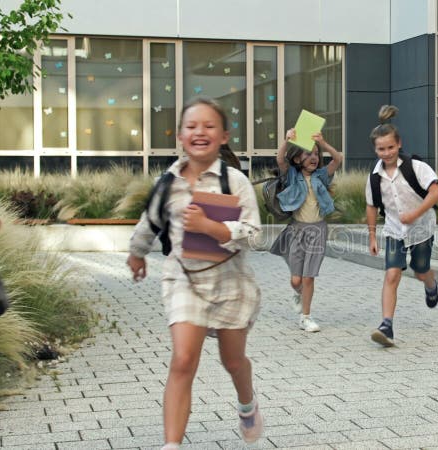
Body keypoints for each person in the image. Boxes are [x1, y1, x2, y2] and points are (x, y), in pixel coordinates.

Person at [126, 97, 264, 449]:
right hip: (183, 279)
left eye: (208, 126)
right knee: (184, 358)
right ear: (180, 135)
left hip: (229, 280)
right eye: (191, 126)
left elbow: (254, 235)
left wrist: (210, 227)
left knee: (233, 361)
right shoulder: (167, 184)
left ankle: (247, 404)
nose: (199, 132)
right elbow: (150, 221)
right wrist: (137, 253)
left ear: (223, 136)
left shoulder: (235, 182)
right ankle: (172, 444)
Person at [365, 105, 438, 347]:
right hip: (394, 231)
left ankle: (431, 284)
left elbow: (436, 192)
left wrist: (415, 213)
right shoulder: (374, 176)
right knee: (392, 274)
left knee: (420, 271)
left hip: (421, 228)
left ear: (399, 144)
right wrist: (372, 236)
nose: (386, 153)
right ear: (375, 149)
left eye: (390, 147)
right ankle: (386, 325)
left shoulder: (416, 167)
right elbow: (371, 206)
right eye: (381, 149)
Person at [270, 128, 342, 332]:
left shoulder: (321, 176)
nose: (314, 157)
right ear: (297, 159)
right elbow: (280, 159)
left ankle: (306, 317)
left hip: (318, 230)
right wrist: (286, 140)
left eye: (316, 154)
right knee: (296, 280)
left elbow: (337, 159)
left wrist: (324, 144)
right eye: (308, 153)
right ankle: (298, 293)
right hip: (296, 231)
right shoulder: (292, 175)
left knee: (309, 276)